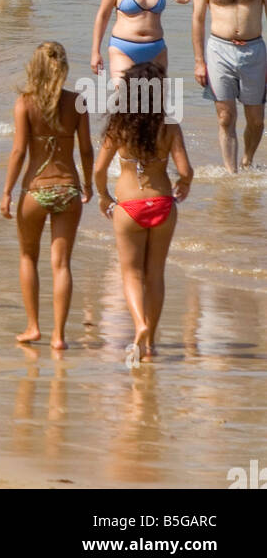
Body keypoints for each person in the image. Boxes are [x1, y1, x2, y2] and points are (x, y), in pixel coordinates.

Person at [94, 65, 193, 359]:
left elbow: (99, 169)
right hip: (162, 204)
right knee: (155, 273)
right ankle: (149, 345)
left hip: (129, 208)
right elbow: (186, 170)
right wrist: (184, 184)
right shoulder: (169, 125)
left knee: (131, 274)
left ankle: (140, 325)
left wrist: (103, 196)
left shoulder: (118, 126)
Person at [0, 42, 93, 349]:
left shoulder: (25, 103)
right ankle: (59, 336)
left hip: (35, 190)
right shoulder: (77, 102)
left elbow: (18, 152)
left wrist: (7, 192)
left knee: (28, 256)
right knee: (61, 264)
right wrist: (89, 184)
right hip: (68, 189)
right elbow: (86, 149)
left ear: (35, 67)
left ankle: (33, 327)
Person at [192, 0, 267, 173]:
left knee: (256, 120)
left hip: (254, 50)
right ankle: (231, 172)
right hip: (219, 50)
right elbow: (198, 19)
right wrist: (199, 61)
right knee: (225, 116)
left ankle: (247, 161)